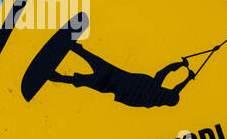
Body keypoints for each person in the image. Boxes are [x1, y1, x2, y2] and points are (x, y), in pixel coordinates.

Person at [47, 41, 195, 108]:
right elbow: (176, 89)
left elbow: (166, 72)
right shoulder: (150, 101)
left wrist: (181, 66)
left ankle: (74, 50)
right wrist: (187, 78)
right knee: (85, 79)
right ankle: (59, 77)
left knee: (93, 63)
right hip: (109, 86)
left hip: (113, 77)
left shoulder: (153, 86)